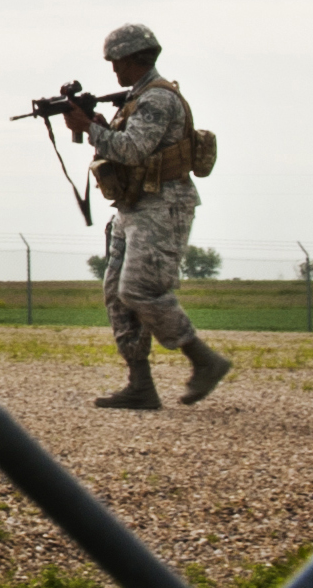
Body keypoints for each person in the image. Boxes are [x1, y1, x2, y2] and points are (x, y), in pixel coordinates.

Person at [62, 24, 231, 409]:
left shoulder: (157, 98)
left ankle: (204, 360)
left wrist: (88, 129)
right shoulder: (137, 98)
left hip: (162, 205)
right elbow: (127, 147)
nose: (113, 69)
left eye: (117, 61)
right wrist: (97, 127)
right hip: (134, 205)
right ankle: (140, 385)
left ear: (134, 57)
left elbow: (134, 149)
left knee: (139, 290)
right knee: (116, 294)